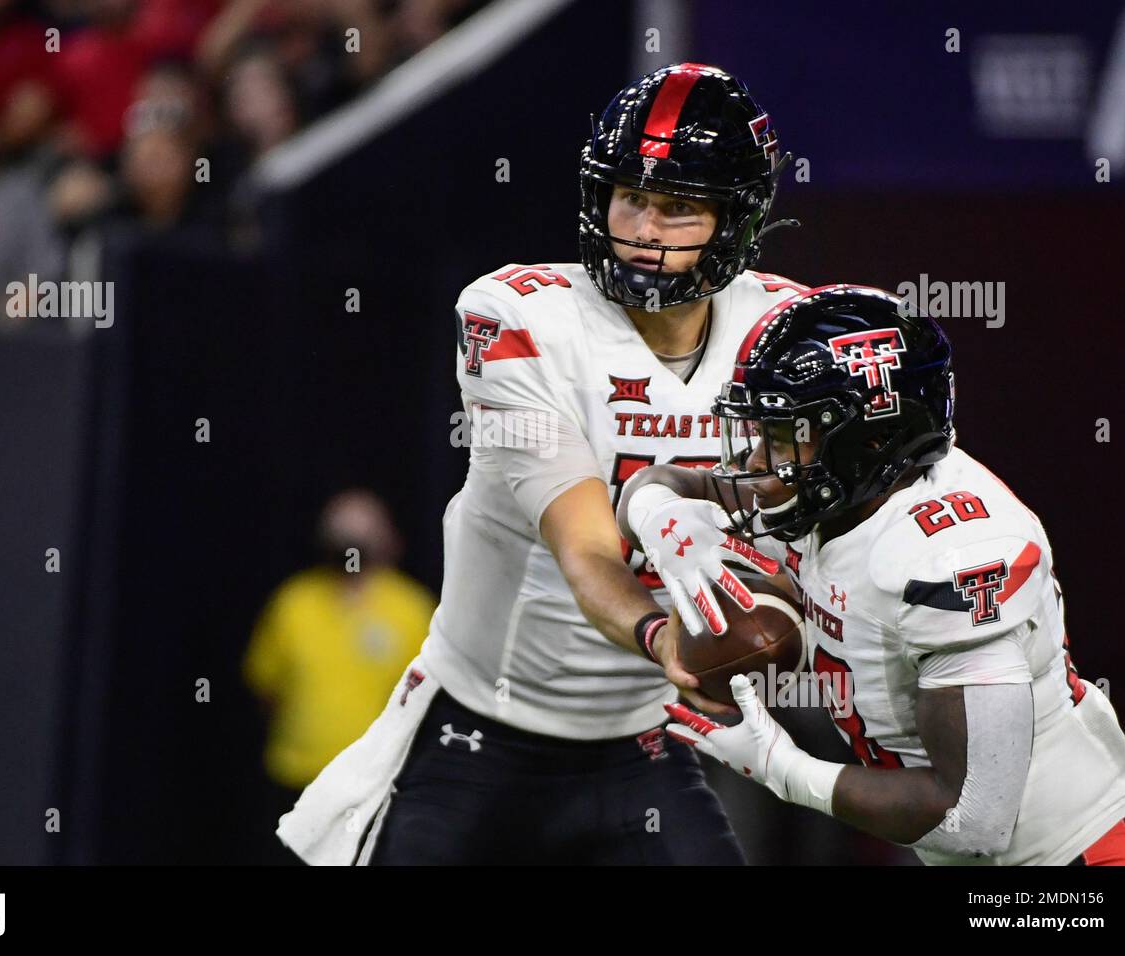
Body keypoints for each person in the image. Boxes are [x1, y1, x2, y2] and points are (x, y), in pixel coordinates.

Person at [277, 62, 804, 865]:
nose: (643, 227)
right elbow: (585, 546)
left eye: (675, 206)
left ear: (735, 220)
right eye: (630, 196)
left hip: (641, 745)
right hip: (474, 739)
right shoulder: (518, 314)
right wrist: (666, 638)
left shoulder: (784, 335)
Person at [618, 284, 1125, 865]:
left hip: (1078, 858)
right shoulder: (846, 489)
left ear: (867, 442)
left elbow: (972, 818)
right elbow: (661, 486)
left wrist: (788, 771)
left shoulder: (954, 557)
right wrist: (662, 522)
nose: (753, 463)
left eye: (779, 438)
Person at [244, 490, 433, 805]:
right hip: (297, 777)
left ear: (390, 540)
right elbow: (266, 687)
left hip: (376, 783)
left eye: (363, 532)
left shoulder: (411, 609)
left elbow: (428, 698)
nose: (353, 543)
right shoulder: (294, 603)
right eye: (343, 532)